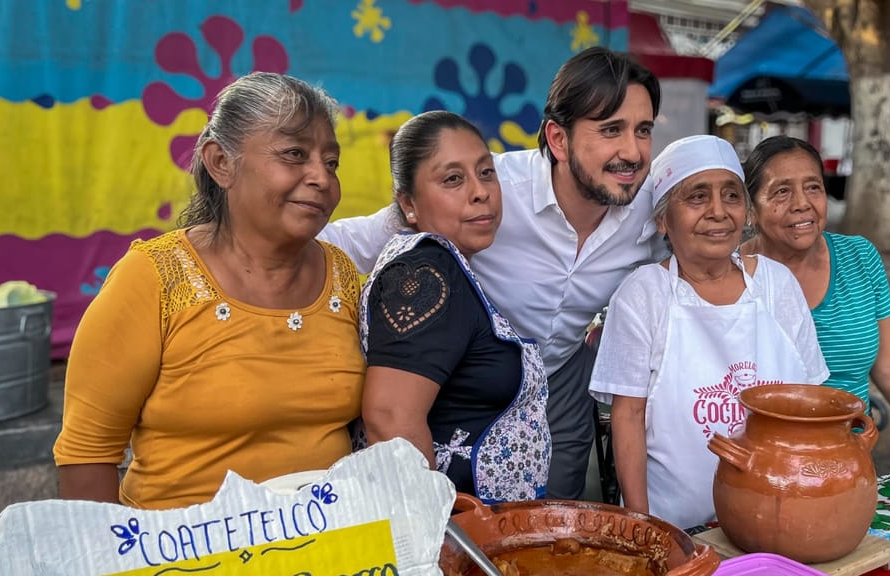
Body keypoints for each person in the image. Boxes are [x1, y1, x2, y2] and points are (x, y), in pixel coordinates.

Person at [322, 48, 663, 499]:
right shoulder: (487, 188)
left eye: (643, 131)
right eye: (610, 131)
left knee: (554, 520)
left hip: (558, 379)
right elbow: (346, 243)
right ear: (558, 140)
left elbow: (711, 250)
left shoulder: (650, 211)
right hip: (468, 378)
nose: (633, 152)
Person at [53, 73, 366, 509]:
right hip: (178, 562)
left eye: (331, 163)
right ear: (221, 162)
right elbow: (87, 454)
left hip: (322, 565)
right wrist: (102, 571)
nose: (321, 177)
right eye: (294, 154)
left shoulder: (344, 278)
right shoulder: (153, 278)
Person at [589, 135, 827, 529]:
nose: (718, 212)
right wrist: (643, 523)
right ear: (663, 219)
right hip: (678, 526)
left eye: (731, 196)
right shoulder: (644, 293)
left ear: (746, 212)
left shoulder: (776, 285)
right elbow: (627, 416)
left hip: (777, 516)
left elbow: (809, 401)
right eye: (697, 197)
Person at [740, 136, 890, 465]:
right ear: (751, 210)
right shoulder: (732, 276)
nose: (801, 203)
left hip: (851, 461)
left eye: (813, 187)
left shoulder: (860, 257)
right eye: (781, 191)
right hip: (765, 466)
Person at [359, 111, 549, 502]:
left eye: (486, 172)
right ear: (409, 205)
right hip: (452, 540)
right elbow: (391, 419)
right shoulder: (426, 272)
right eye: (453, 179)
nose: (480, 192)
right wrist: (433, 538)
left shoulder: (449, 265)